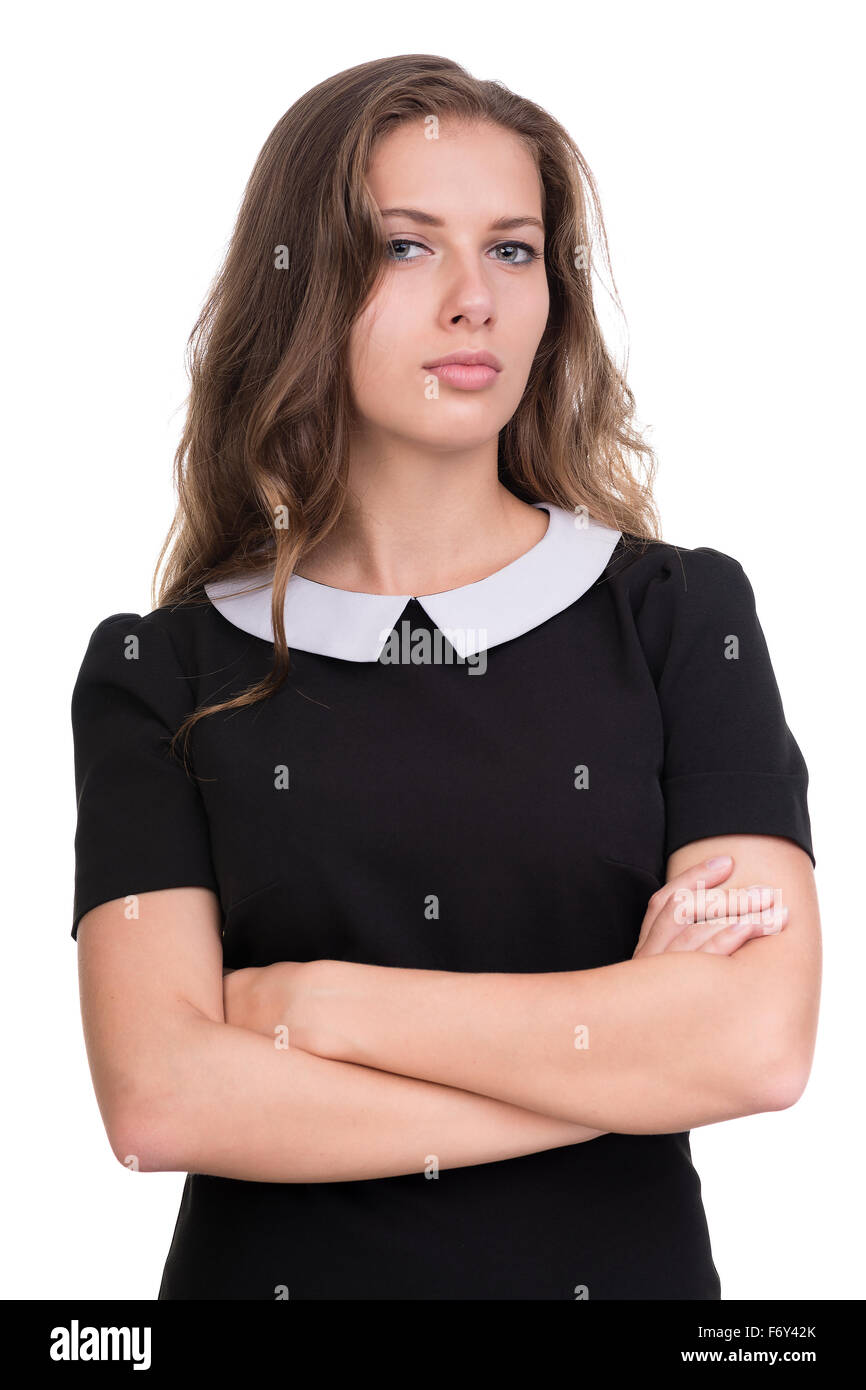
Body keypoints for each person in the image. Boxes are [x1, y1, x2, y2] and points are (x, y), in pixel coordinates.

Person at [70, 54, 821, 1300]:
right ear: (302, 284)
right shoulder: (161, 669)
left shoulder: (681, 617)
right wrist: (615, 1066)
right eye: (407, 247)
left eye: (513, 250)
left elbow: (751, 1046)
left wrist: (314, 1005)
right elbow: (159, 1099)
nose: (473, 298)